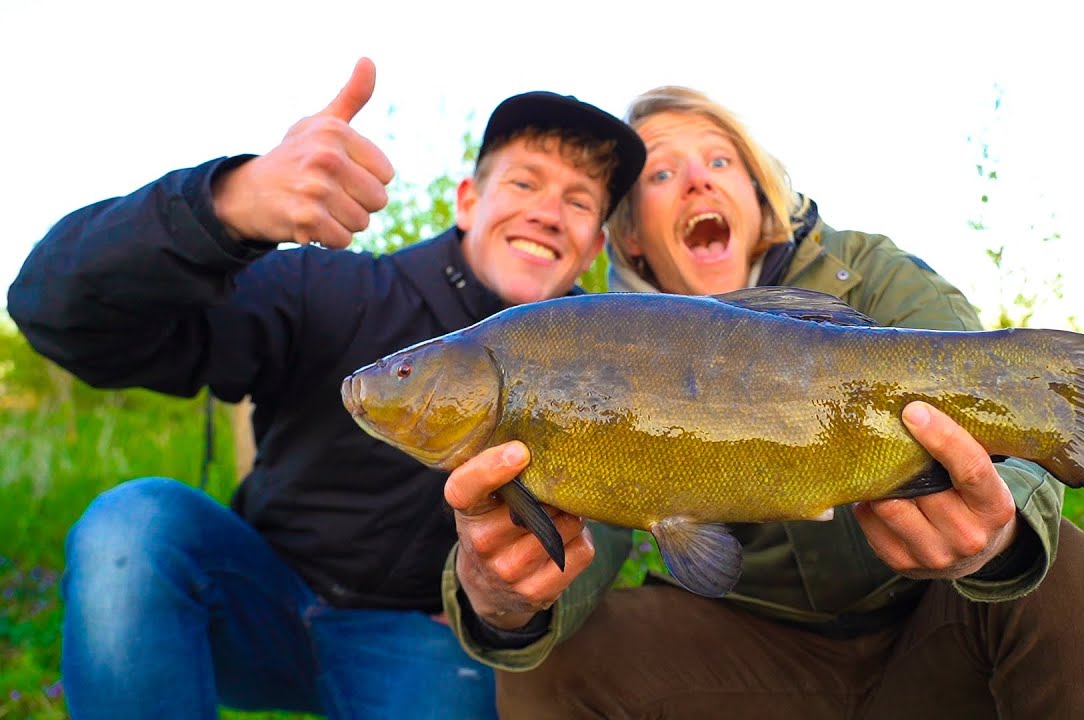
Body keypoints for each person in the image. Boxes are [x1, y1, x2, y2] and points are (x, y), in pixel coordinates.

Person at [439, 86, 1084, 718]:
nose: (696, 181)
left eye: (720, 161)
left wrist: (1000, 533)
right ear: (629, 236)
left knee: (1061, 563)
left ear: (758, 194)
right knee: (545, 669)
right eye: (662, 172)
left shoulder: (873, 275)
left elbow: (992, 428)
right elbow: (591, 543)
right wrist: (505, 602)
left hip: (928, 630)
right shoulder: (592, 344)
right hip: (746, 653)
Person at [6, 57, 644, 719]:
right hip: (258, 596)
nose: (547, 213)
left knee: (468, 691)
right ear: (467, 201)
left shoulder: (612, 362)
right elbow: (59, 314)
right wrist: (223, 208)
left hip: (419, 643)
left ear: (594, 243)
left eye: (577, 201)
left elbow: (598, 549)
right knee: (131, 525)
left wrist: (503, 611)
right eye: (525, 182)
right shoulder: (333, 287)